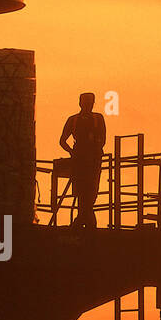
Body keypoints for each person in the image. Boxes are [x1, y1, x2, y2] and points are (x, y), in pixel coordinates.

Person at [60, 92, 105, 229]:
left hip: (93, 162)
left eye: (90, 103)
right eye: (86, 103)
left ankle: (81, 221)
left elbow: (102, 140)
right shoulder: (73, 120)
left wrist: (93, 151)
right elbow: (62, 141)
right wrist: (73, 153)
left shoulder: (98, 118)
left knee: (91, 193)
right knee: (82, 192)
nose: (88, 106)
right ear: (80, 103)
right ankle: (87, 222)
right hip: (80, 162)